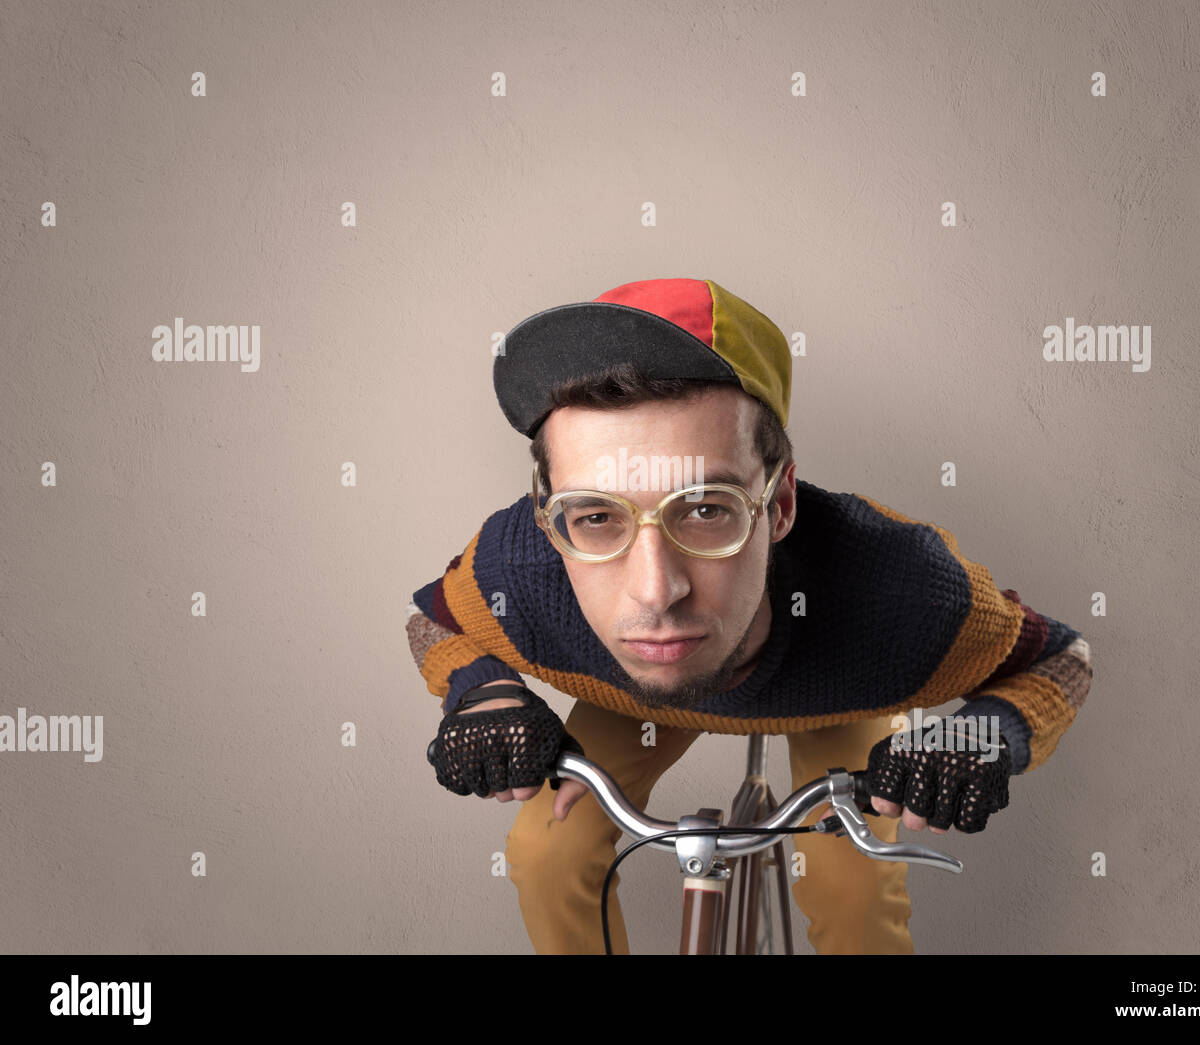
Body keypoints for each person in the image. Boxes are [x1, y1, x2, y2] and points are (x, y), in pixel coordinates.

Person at [409, 277, 1093, 954]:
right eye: (595, 516)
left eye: (706, 509)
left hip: (838, 688)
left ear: (781, 504)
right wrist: (485, 691)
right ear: (548, 518)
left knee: (850, 888)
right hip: (631, 687)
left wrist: (985, 736)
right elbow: (433, 622)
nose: (655, 593)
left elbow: (1064, 657)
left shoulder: (904, 598)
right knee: (546, 849)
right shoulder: (519, 568)